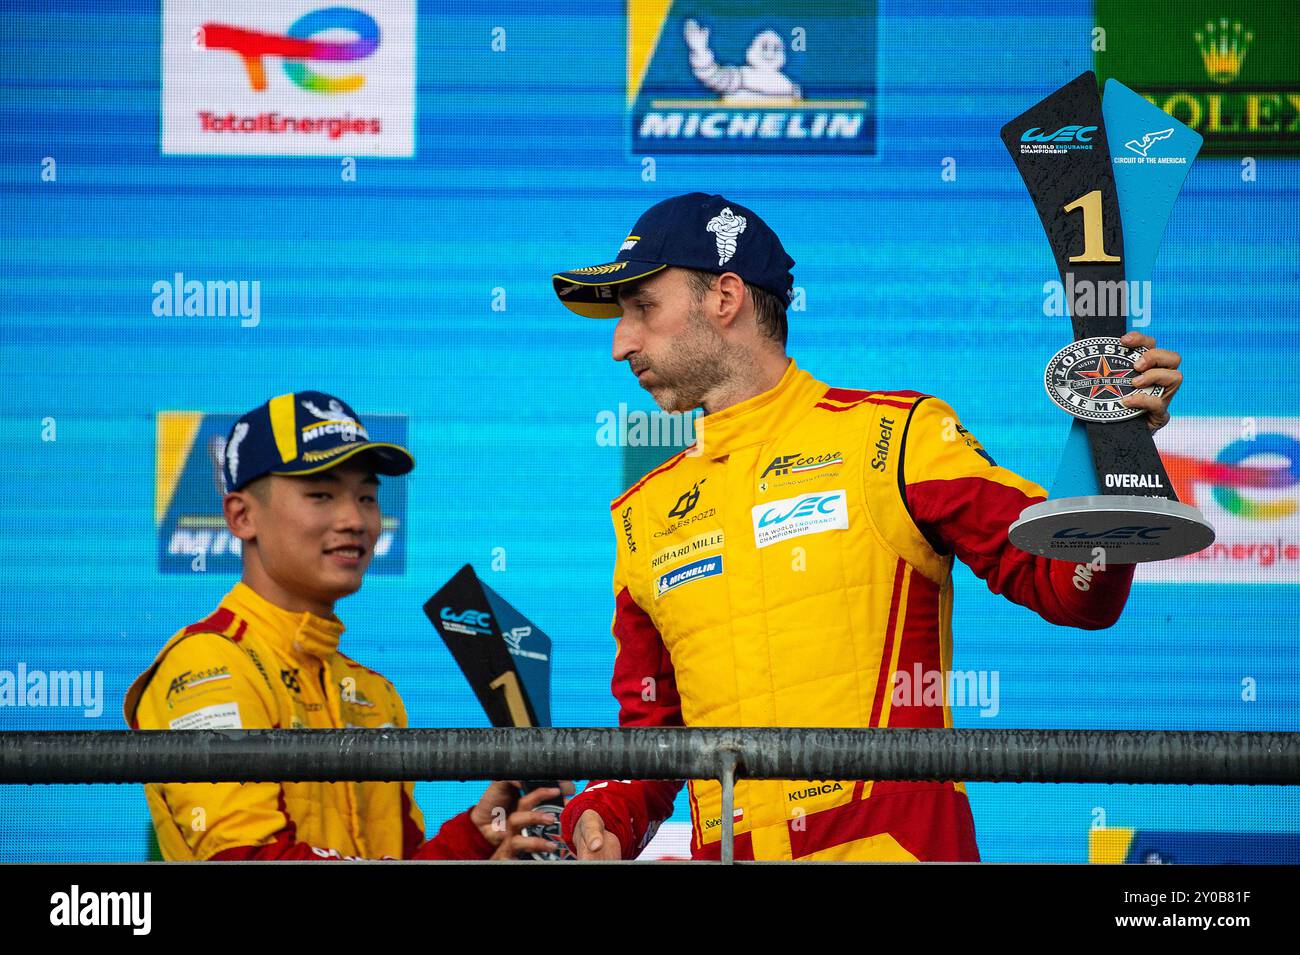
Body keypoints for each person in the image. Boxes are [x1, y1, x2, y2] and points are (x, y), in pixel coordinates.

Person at [550, 192, 1184, 861]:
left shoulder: (895, 436)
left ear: (725, 296)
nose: (622, 343)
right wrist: (604, 815)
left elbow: (1071, 589)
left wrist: (1117, 455)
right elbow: (649, 747)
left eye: (643, 308)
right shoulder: (643, 513)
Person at [124, 391, 566, 860]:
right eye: (321, 494)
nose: (354, 519)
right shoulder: (207, 663)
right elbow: (248, 861)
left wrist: (476, 841)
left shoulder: (373, 692)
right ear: (241, 515)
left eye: (367, 497)